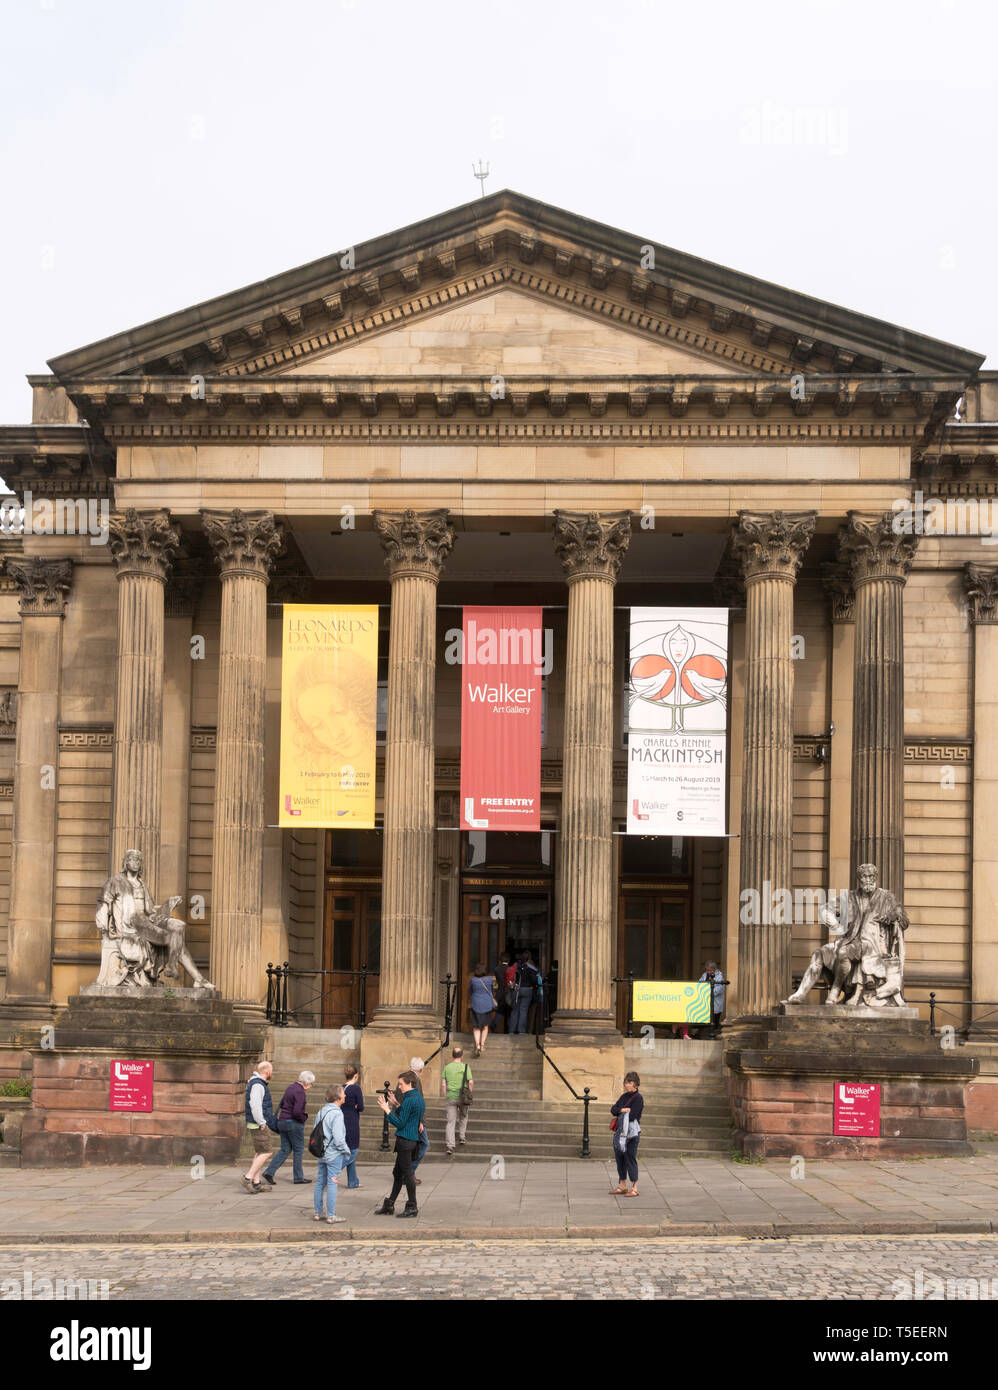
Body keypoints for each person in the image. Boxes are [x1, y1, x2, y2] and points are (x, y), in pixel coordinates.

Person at [375, 1070, 425, 1218]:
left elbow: (400, 1123)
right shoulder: (417, 1097)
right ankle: (390, 1204)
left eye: (401, 1084)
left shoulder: (410, 1099)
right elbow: (410, 1114)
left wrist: (386, 1109)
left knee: (407, 1175)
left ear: (410, 1083)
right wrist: (396, 1103)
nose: (399, 1087)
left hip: (405, 1141)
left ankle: (412, 1206)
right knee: (397, 1173)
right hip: (411, 1140)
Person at [263, 1069, 314, 1185]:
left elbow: (283, 1105)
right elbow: (297, 1112)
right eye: (311, 1084)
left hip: (282, 1122)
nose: (311, 1086)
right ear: (307, 1083)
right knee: (299, 1149)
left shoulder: (290, 1088)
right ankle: (298, 1177)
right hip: (293, 1123)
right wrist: (304, 1117)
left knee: (285, 1149)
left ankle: (269, 1172)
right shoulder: (300, 1092)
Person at [312, 1083, 351, 1223]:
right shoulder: (337, 1113)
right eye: (343, 1093)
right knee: (333, 1182)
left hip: (321, 1153)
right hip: (334, 1154)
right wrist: (346, 1151)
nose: (345, 1095)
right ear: (338, 1097)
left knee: (320, 1182)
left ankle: (318, 1213)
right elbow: (339, 1138)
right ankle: (331, 1215)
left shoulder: (321, 1111)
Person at [242, 1061, 279, 1194]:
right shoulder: (258, 1084)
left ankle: (256, 1183)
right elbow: (255, 1105)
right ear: (267, 1072)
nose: (272, 1073)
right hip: (258, 1123)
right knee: (267, 1152)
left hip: (257, 1122)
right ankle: (248, 1178)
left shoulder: (257, 1083)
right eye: (271, 1071)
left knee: (259, 1152)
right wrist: (262, 1122)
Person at [608, 1072, 644, 1197]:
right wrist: (623, 1110)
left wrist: (620, 1111)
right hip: (620, 1132)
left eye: (629, 1082)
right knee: (619, 1158)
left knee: (630, 1157)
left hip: (631, 1134)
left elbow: (633, 1115)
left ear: (635, 1083)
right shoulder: (624, 1097)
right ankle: (622, 1185)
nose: (627, 1085)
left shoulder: (638, 1098)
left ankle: (634, 1187)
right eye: (626, 1082)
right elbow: (613, 1109)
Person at [441, 1045, 473, 1154]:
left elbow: (444, 1084)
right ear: (462, 1056)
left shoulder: (447, 1067)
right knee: (463, 1117)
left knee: (450, 1122)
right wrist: (469, 1092)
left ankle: (450, 1146)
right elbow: (471, 1082)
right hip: (463, 1097)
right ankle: (462, 1137)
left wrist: (446, 1095)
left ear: (452, 1055)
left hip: (451, 1096)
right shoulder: (465, 1067)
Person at [341, 1064, 364, 1189]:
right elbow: (361, 1107)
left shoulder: (340, 1088)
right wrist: (355, 1106)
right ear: (355, 1076)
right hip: (352, 1121)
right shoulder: (356, 1089)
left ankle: (353, 1181)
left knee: (348, 1149)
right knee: (353, 1151)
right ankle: (332, 1172)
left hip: (341, 1120)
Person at [408, 1058, 430, 1184]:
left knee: (412, 1147)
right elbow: (418, 1101)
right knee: (424, 1144)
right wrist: (420, 1121)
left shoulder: (406, 1077)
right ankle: (409, 1172)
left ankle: (407, 1173)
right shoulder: (415, 1079)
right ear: (421, 1070)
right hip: (415, 1119)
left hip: (411, 1118)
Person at [469, 964, 496, 1056]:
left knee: (476, 1026)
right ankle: (482, 1045)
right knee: (485, 1026)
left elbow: (471, 992)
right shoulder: (489, 980)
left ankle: (477, 1045)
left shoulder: (473, 980)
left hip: (476, 1004)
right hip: (487, 1004)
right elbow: (491, 991)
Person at [510, 951, 539, 1034]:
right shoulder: (531, 968)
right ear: (529, 958)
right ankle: (521, 1031)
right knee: (523, 1010)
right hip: (527, 989)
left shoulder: (517, 966)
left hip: (517, 989)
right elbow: (534, 980)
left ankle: (512, 1030)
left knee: (515, 1010)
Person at [700, 961, 726, 1034]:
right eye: (707, 970)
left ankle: (713, 1034)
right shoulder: (704, 975)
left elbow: (718, 990)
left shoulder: (719, 976)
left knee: (715, 1020)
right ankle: (704, 1033)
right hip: (706, 1002)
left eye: (709, 970)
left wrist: (706, 992)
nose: (708, 972)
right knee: (706, 1020)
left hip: (716, 1002)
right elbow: (700, 984)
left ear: (713, 969)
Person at [493, 952, 511, 1033]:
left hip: (500, 992)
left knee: (499, 1011)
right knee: (509, 1012)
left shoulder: (497, 969)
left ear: (500, 960)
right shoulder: (510, 969)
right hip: (508, 992)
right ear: (509, 960)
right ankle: (509, 1029)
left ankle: (493, 1026)